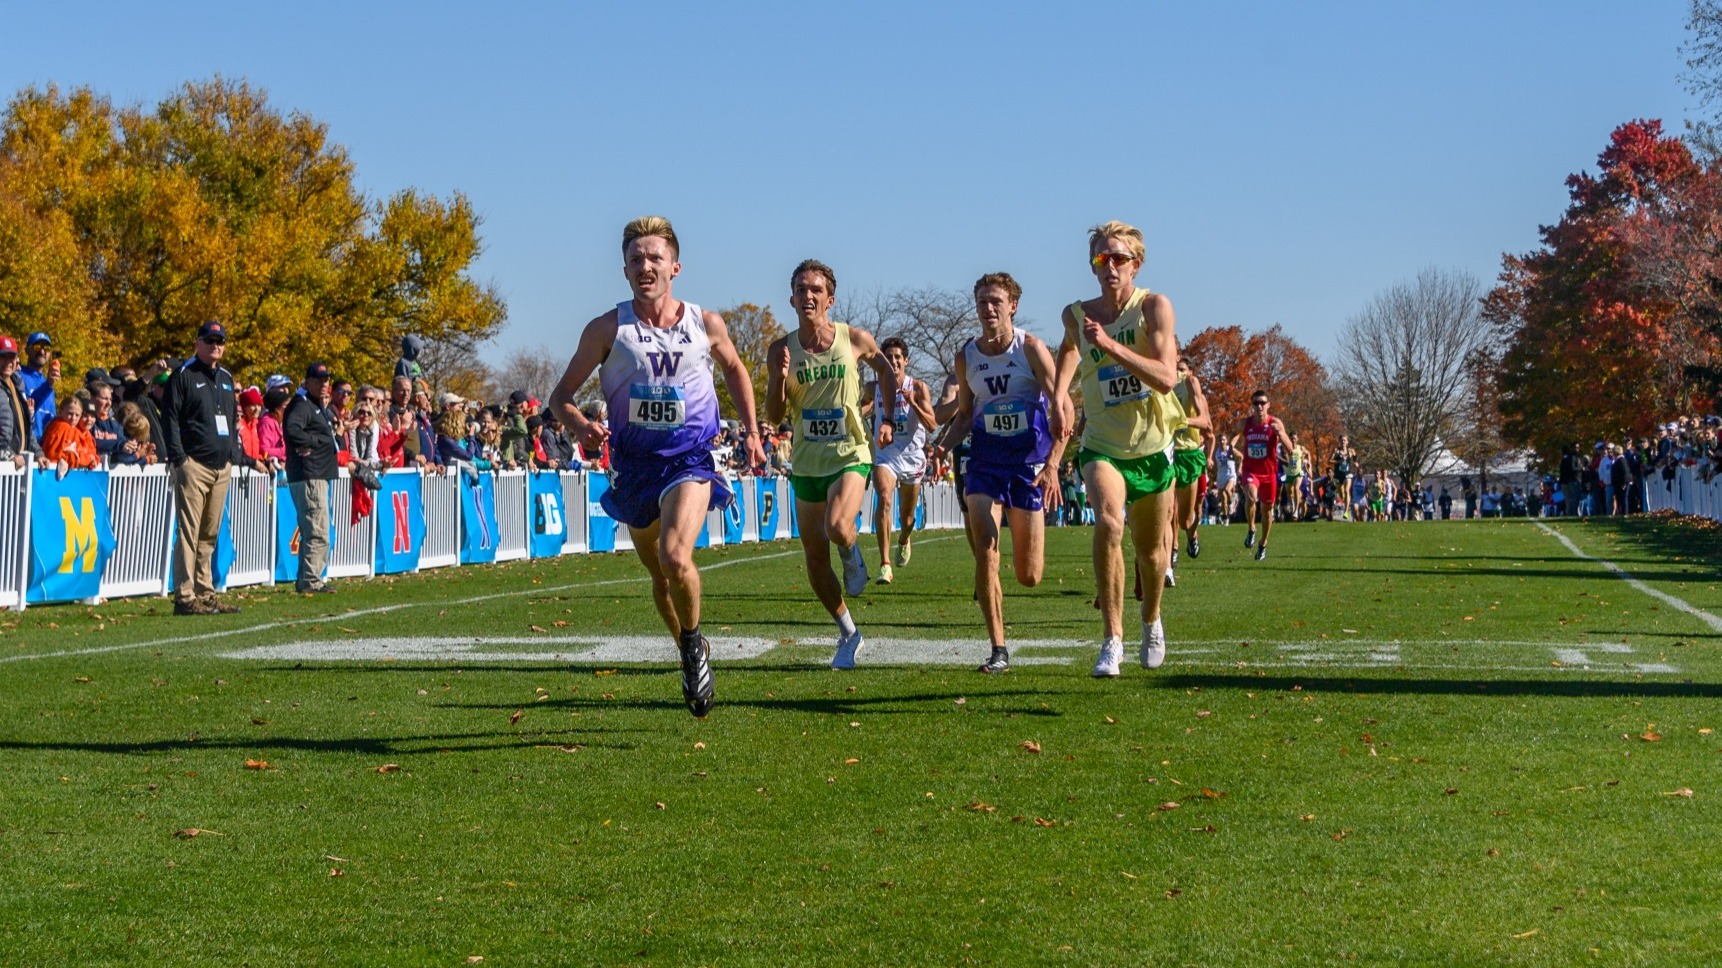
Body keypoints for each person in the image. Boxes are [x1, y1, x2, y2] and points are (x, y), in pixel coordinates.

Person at [549, 216, 765, 718]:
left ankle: (692, 648)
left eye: (655, 258)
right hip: (633, 465)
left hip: (689, 459)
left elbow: (735, 369)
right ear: (624, 270)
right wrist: (580, 424)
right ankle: (690, 644)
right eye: (636, 259)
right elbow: (560, 397)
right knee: (660, 576)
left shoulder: (705, 323)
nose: (645, 266)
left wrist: (752, 431)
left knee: (674, 556)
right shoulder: (608, 328)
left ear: (675, 266)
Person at [1052, 220, 1183, 677]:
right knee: (1109, 523)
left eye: (1119, 259)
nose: (1110, 267)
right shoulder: (1075, 313)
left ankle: (1151, 619)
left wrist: (1110, 345)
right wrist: (1059, 393)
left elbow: (1167, 378)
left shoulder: (1153, 307)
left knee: (1151, 553)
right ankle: (1112, 638)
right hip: (1102, 444)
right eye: (1101, 259)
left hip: (1151, 445)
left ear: (1136, 264)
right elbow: (1070, 348)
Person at [765, 258, 895, 671]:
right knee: (815, 559)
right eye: (801, 289)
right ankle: (848, 633)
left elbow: (887, 372)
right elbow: (773, 415)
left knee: (838, 526)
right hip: (807, 461)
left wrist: (887, 417)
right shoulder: (781, 350)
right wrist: (777, 379)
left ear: (830, 299)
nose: (808, 296)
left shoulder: (853, 338)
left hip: (850, 453)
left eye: (816, 290)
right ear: (792, 298)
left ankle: (854, 552)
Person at [932, 272, 1065, 673]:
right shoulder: (966, 356)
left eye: (996, 302)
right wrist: (942, 446)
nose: (988, 309)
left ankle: (1005, 620)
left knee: (1029, 576)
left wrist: (1054, 463)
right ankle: (998, 649)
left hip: (1028, 466)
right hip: (985, 464)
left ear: (1013, 306)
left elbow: (1066, 409)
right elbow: (966, 416)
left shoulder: (1032, 350)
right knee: (986, 552)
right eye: (982, 302)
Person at [162, 321, 266, 615]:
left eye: (220, 341)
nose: (216, 345)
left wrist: (232, 455)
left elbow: (232, 420)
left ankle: (205, 593)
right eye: (210, 340)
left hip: (221, 466)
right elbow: (169, 418)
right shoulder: (183, 375)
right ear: (197, 343)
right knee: (189, 532)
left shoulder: (226, 378)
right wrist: (179, 458)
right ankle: (184, 597)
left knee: (209, 532)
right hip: (193, 464)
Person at [864, 337, 935, 584]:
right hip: (887, 454)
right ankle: (885, 564)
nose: (893, 361)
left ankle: (904, 538)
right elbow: (858, 408)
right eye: (888, 357)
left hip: (913, 457)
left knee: (906, 519)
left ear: (906, 361)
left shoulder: (918, 387)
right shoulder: (872, 388)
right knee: (883, 496)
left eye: (898, 357)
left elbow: (933, 425)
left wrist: (913, 402)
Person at [283, 362, 340, 595]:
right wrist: (312, 444)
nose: (325, 384)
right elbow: (292, 429)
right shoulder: (302, 405)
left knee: (317, 529)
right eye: (319, 380)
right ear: (307, 382)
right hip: (309, 475)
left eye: (327, 380)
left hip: (316, 474)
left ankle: (309, 577)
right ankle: (311, 580)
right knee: (317, 530)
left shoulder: (314, 406)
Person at [1167, 355, 1212, 584]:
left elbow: (1206, 423)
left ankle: (1191, 534)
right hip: (1166, 453)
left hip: (1190, 454)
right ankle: (1169, 559)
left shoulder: (1189, 383)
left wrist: (1179, 420)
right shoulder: (1154, 378)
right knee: (1168, 510)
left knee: (1185, 519)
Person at [1237, 390, 1293, 559]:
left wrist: (1280, 434)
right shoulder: (1245, 423)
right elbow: (1233, 435)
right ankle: (1252, 528)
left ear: (1268, 405)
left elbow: (1290, 448)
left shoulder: (1275, 423)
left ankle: (1263, 544)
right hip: (1251, 471)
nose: (1259, 406)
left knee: (1267, 510)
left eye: (1262, 403)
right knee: (1251, 497)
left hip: (1269, 473)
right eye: (1256, 403)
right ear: (1252, 406)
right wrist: (1232, 446)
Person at [0, 336, 41, 466]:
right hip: (5, 466)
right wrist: (8, 455)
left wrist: (38, 453)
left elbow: (27, 428)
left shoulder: (18, 387)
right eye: (2, 357)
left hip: (17, 468)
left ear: (17, 359)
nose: (7, 362)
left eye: (11, 357)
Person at [40, 390, 99, 473]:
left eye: (77, 415)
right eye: (70, 414)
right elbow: (55, 455)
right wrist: (86, 460)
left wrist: (91, 459)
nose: (73, 418)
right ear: (60, 412)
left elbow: (91, 454)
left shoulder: (82, 433)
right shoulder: (62, 427)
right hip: (50, 474)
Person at [1284, 432, 1310, 521]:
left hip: (1299, 473)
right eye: (1291, 438)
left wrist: (1308, 462)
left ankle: (1295, 511)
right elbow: (1284, 458)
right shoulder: (1286, 448)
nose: (1293, 440)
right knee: (1289, 492)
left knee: (1296, 488)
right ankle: (1293, 505)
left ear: (1297, 439)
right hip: (1289, 474)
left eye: (1295, 438)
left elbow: (1308, 453)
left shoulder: (1301, 448)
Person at [1329, 435, 1356, 521]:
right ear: (1339, 442)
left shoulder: (1350, 451)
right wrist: (1338, 461)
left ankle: (1346, 511)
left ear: (1347, 442)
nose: (1343, 442)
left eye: (1344, 440)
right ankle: (1346, 502)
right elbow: (1329, 460)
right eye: (1341, 440)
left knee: (1347, 490)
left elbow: (1355, 457)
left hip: (1347, 474)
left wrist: (1356, 462)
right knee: (1341, 494)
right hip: (1338, 475)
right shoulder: (1336, 451)